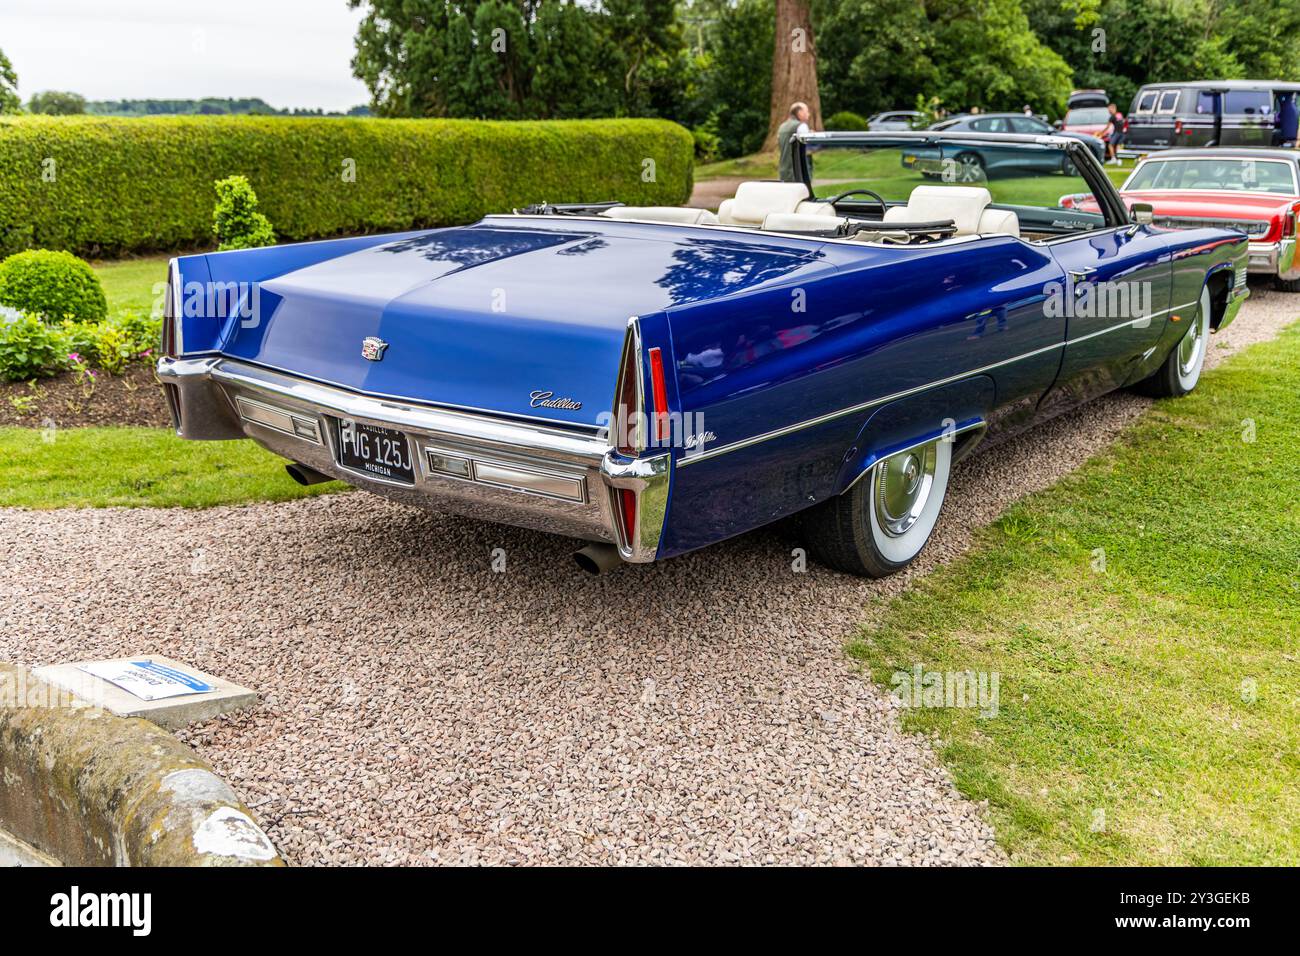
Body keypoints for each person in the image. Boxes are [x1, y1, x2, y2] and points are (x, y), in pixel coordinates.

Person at [777, 102, 811, 182]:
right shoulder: (801, 126)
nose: (808, 114)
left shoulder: (782, 126)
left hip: (783, 170)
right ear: (800, 113)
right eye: (807, 111)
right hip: (797, 171)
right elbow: (808, 146)